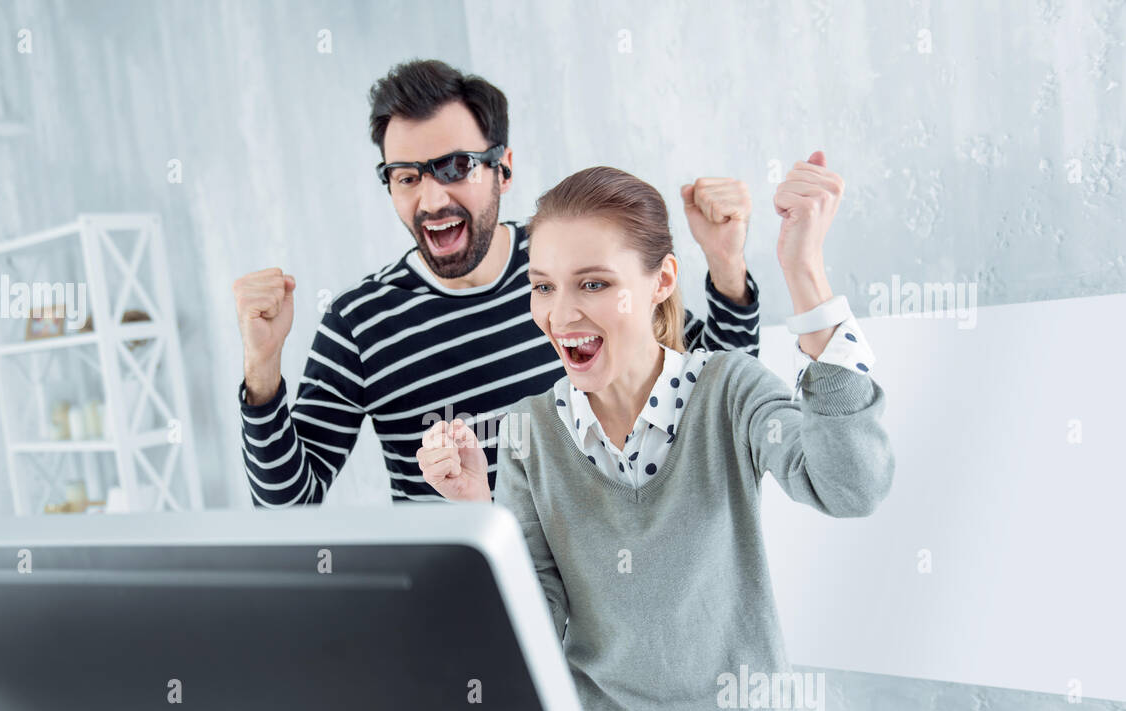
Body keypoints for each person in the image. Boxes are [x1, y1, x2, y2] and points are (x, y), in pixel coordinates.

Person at [416, 152, 895, 711]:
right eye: (543, 286)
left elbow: (850, 484)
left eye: (595, 283)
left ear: (662, 280)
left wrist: (806, 275)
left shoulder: (729, 391)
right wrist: (474, 515)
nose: (562, 312)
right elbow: (531, 635)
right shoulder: (526, 433)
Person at [233, 58, 763, 504]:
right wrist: (261, 370)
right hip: (461, 610)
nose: (432, 199)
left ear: (503, 169)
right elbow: (290, 505)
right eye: (407, 177)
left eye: (457, 166)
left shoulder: (572, 259)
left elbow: (714, 396)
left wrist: (726, 265)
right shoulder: (359, 322)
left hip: (602, 595)